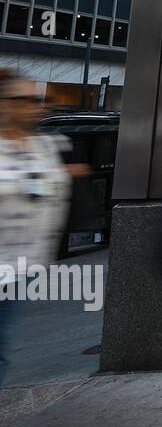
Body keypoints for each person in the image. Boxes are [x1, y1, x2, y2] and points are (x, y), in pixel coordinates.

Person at [0, 71, 84, 387]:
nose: (34, 107)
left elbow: (46, 188)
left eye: (38, 100)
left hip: (23, 262)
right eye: (23, 100)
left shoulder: (45, 145)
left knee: (2, 349)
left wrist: (63, 177)